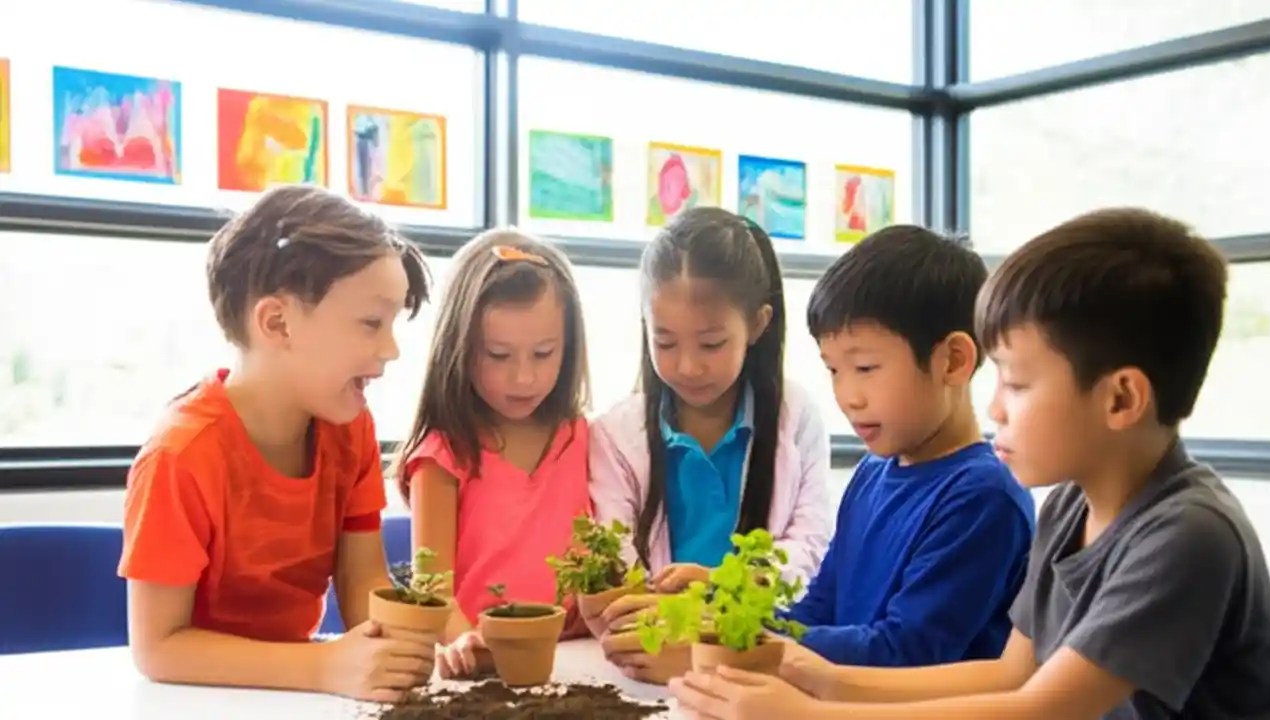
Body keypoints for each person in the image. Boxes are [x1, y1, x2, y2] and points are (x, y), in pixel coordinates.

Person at [670, 207, 1270, 720]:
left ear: (1120, 398)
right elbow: (1012, 672)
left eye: (1016, 384)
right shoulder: (1072, 504)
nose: (994, 406)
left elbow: (1044, 707)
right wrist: (805, 670)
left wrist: (812, 713)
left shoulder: (1188, 534)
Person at [118, 185, 434, 703]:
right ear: (277, 323)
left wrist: (410, 644)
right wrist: (324, 666)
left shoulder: (350, 428)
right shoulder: (180, 456)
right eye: (371, 323)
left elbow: (362, 582)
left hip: (297, 695)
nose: (391, 349)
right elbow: (158, 649)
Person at [592, 208, 832, 682]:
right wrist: (665, 624)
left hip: (763, 657)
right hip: (652, 655)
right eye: (665, 341)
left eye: (711, 343)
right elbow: (615, 561)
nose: (687, 367)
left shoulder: (796, 416)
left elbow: (809, 551)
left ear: (758, 325)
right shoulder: (616, 434)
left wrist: (723, 594)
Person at [781, 225, 1035, 667]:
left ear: (953, 360)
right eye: (834, 371)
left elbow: (904, 651)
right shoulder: (871, 472)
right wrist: (720, 620)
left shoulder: (984, 498)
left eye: (865, 367)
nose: (847, 396)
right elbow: (820, 608)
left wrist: (758, 650)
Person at [394, 230, 592, 679]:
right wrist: (464, 638)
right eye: (498, 355)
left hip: (581, 662)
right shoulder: (442, 457)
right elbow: (433, 588)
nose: (524, 378)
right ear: (459, 351)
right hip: (484, 667)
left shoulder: (583, 438)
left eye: (544, 354)